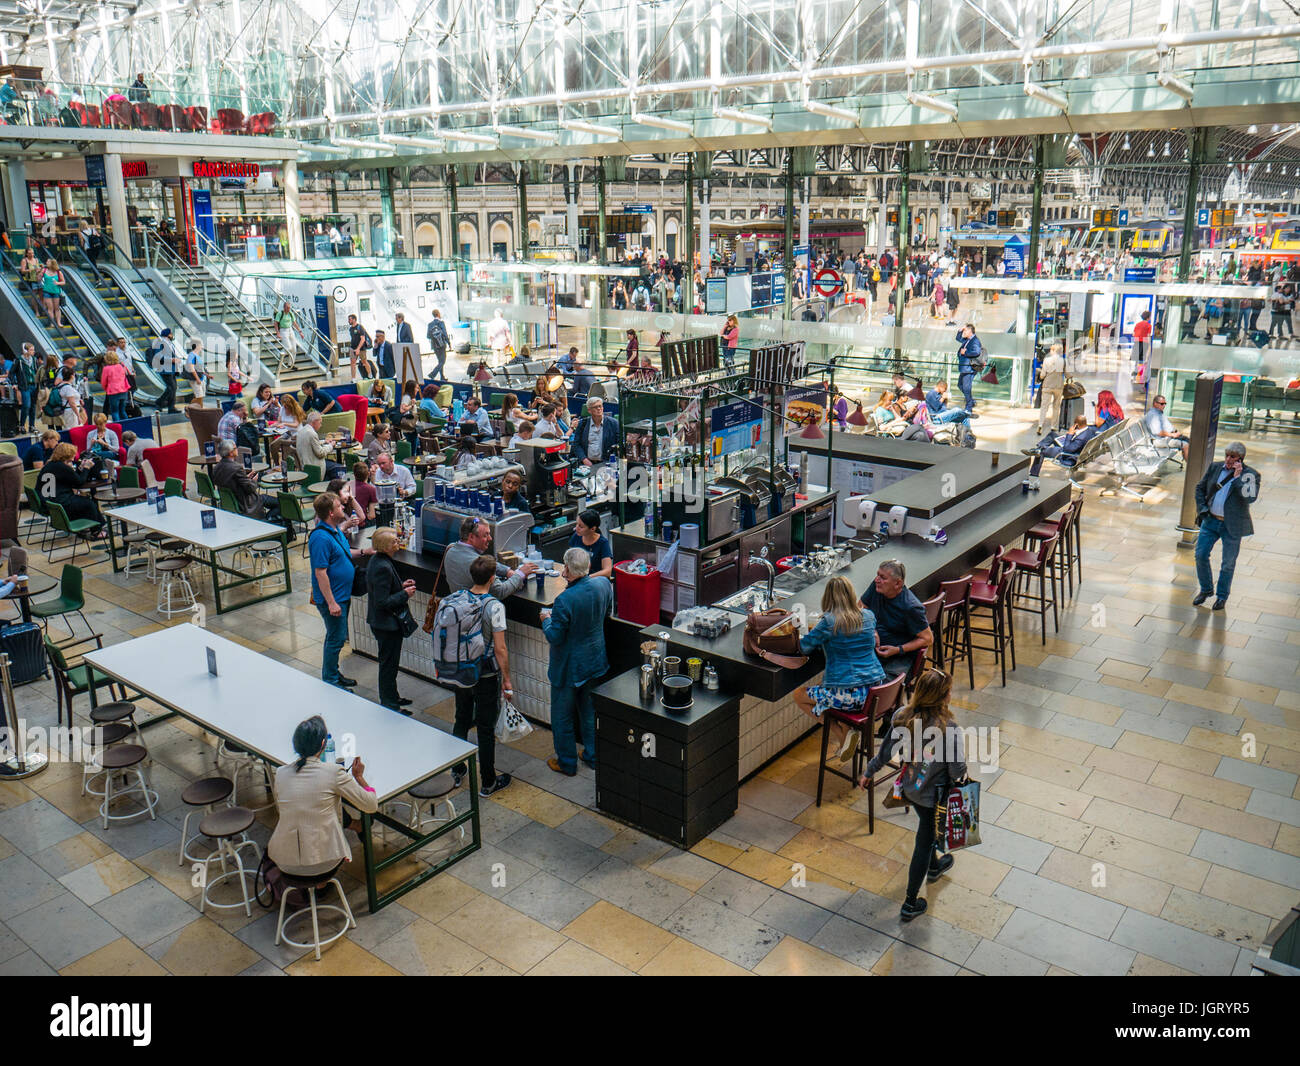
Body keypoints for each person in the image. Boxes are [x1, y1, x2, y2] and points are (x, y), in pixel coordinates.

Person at [860, 669, 968, 922]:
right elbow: (956, 770)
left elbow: (885, 752)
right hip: (934, 798)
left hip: (909, 788)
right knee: (923, 842)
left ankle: (934, 865)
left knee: (926, 831)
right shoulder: (949, 729)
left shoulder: (901, 716)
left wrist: (869, 772)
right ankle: (910, 902)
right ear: (943, 698)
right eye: (949, 691)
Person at [786, 575, 887, 763]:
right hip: (875, 692)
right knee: (825, 690)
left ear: (828, 598)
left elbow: (805, 647)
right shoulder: (868, 616)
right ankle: (847, 730)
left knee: (800, 696)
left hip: (849, 694)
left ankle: (842, 733)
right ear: (851, 595)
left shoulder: (829, 622)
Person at [266, 716, 380, 879]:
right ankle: (320, 884)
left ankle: (315, 889)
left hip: (284, 861)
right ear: (323, 744)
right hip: (325, 863)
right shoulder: (333, 773)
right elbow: (370, 805)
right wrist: (359, 777)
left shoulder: (281, 773)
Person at [541, 546, 613, 776]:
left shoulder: (564, 600)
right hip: (595, 660)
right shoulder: (603, 585)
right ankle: (592, 755)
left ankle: (567, 762)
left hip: (568, 668)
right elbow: (606, 612)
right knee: (589, 712)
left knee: (562, 717)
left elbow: (555, 636)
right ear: (589, 566)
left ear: (568, 570)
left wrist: (545, 619)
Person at [446, 554, 514, 797]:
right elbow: (500, 648)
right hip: (485, 674)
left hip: (460, 670)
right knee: (485, 728)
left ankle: (457, 768)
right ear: (493, 579)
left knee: (461, 718)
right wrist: (506, 680)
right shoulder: (494, 606)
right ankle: (488, 782)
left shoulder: (456, 598)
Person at [309, 492, 375, 688]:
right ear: (330, 512)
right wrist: (331, 602)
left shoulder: (335, 530)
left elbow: (344, 553)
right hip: (333, 598)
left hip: (342, 595)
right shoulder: (321, 538)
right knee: (336, 639)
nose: (343, 509)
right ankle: (330, 679)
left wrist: (365, 551)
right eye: (339, 507)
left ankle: (334, 673)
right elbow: (320, 572)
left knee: (336, 636)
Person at [1193, 441, 1259, 610]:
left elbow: (1250, 498)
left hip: (1232, 525)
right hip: (1210, 521)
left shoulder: (1250, 475)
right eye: (1227, 455)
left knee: (1228, 563)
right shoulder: (1215, 467)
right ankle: (1206, 589)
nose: (1228, 459)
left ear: (1240, 460)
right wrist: (1202, 509)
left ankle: (1222, 597)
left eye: (1233, 457)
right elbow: (1200, 488)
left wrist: (1237, 479)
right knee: (1200, 555)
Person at [365, 526, 418, 714]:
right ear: (386, 546)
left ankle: (392, 697)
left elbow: (384, 590)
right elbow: (382, 602)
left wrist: (400, 586)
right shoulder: (382, 566)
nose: (398, 544)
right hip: (386, 625)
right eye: (394, 541)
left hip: (383, 623)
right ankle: (390, 704)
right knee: (388, 666)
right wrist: (404, 594)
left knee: (390, 664)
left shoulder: (378, 561)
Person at [859, 559, 933, 680]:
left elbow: (928, 638)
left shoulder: (911, 607)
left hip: (899, 659)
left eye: (883, 577)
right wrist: (872, 629)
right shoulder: (877, 587)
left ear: (898, 583)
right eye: (877, 575)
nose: (877, 579)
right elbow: (859, 608)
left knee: (879, 686)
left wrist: (898, 649)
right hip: (874, 652)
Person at [444, 516, 536, 596]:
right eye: (486, 535)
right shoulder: (475, 562)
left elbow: (482, 562)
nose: (490, 538)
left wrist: (507, 571)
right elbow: (500, 591)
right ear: (471, 537)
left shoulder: (451, 550)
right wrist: (520, 574)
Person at [36, 443, 104, 534]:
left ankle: (88, 527)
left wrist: (80, 469)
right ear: (66, 455)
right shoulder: (62, 467)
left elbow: (71, 479)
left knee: (82, 501)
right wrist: (87, 468)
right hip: (60, 502)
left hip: (49, 502)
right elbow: (79, 483)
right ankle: (97, 531)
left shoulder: (50, 465)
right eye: (72, 455)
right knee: (89, 503)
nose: (73, 458)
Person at [212, 440, 282, 524]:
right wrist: (253, 481)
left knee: (268, 498)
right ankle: (267, 522)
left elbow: (232, 482)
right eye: (235, 448)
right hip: (246, 503)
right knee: (281, 503)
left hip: (232, 502)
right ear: (231, 453)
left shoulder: (217, 467)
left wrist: (246, 478)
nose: (237, 449)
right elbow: (250, 489)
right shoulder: (236, 468)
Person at [1023, 415, 1098, 464]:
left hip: (1068, 455)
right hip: (1074, 449)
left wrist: (1069, 434)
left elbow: (1067, 449)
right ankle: (1037, 448)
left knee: (1042, 451)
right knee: (1053, 435)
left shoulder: (1081, 438)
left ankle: (1034, 472)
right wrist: (1075, 433)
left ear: (1076, 425)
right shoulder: (1089, 430)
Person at [571, 396, 619, 466]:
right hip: (587, 464)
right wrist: (584, 459)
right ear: (589, 410)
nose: (599, 409)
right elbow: (576, 444)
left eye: (600, 406)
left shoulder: (613, 423)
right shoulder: (583, 424)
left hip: (606, 463)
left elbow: (619, 443)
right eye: (595, 407)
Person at [298, 410, 346, 479]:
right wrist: (330, 445)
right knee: (339, 467)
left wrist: (324, 441)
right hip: (314, 467)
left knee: (331, 462)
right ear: (314, 422)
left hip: (306, 465)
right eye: (320, 423)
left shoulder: (302, 431)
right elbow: (321, 453)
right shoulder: (312, 434)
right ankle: (334, 488)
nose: (321, 425)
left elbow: (309, 443)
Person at [568, 508, 613, 580]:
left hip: (595, 581)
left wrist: (587, 578)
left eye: (581, 526)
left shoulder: (602, 543)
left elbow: (607, 571)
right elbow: (569, 560)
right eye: (577, 524)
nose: (576, 528)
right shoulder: (576, 537)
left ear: (592, 529)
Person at [1143, 394, 1190, 461]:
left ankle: (1192, 462)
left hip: (1169, 436)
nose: (1164, 406)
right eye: (1162, 404)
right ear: (1155, 404)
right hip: (1161, 440)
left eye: (1165, 404)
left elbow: (1167, 426)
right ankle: (1190, 468)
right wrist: (1172, 434)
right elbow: (1157, 432)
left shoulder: (1159, 413)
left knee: (1190, 441)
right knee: (1185, 444)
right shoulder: (1153, 415)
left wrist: (1175, 432)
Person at [1036, 344, 1066, 434]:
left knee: (1044, 406)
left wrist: (1040, 376)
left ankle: (1040, 425)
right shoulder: (1063, 361)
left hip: (1047, 385)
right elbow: (1067, 374)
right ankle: (1053, 426)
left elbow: (1042, 375)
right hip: (1058, 386)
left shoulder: (1046, 360)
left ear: (1053, 351)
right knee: (1056, 406)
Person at [955, 323, 981, 414]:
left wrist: (965, 352)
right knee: (960, 385)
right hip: (964, 368)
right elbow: (958, 338)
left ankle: (969, 407)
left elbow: (976, 352)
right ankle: (971, 401)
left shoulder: (975, 341)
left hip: (969, 369)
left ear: (970, 331)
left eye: (965, 330)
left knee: (966, 387)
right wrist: (960, 330)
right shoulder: (967, 340)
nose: (964, 332)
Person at [152, 329, 178, 413]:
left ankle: (170, 407)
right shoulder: (160, 343)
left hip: (171, 369)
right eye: (171, 333)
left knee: (173, 388)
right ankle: (161, 403)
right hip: (165, 369)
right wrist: (171, 360)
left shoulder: (169, 343)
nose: (172, 335)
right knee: (171, 388)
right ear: (168, 334)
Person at [41, 259, 66, 327]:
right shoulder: (44, 271)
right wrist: (39, 272)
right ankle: (52, 323)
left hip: (56, 291)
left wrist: (57, 283)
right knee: (50, 308)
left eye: (48, 262)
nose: (46, 263)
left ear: (52, 264)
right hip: (47, 291)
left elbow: (63, 282)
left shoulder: (58, 272)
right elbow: (39, 279)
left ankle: (58, 322)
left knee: (57, 308)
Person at [346, 314, 371, 381]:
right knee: (353, 363)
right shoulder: (351, 329)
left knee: (364, 361)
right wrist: (353, 348)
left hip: (361, 349)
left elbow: (363, 339)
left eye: (350, 319)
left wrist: (358, 349)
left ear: (354, 319)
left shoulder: (360, 327)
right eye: (348, 319)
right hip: (353, 348)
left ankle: (370, 374)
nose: (349, 321)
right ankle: (353, 378)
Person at [426, 309, 449, 379]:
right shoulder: (441, 323)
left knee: (440, 361)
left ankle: (442, 376)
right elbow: (445, 333)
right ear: (438, 314)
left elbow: (428, 336)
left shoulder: (430, 324)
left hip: (434, 346)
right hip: (441, 345)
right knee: (442, 361)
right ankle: (433, 373)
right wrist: (448, 342)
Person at [184, 339, 207, 403]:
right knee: (199, 397)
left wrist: (207, 375)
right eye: (200, 345)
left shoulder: (197, 356)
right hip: (195, 379)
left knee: (200, 396)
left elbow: (200, 368)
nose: (201, 347)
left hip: (201, 378)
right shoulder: (191, 355)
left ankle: (192, 408)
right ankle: (199, 410)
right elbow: (192, 369)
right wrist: (197, 379)